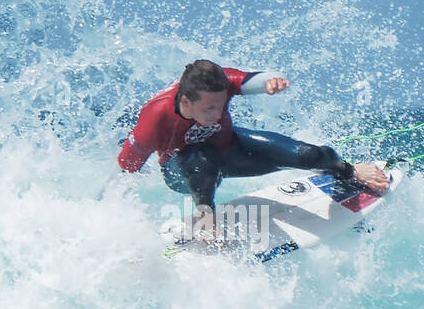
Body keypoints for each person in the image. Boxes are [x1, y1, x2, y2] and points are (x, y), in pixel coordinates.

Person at [117, 59, 390, 238]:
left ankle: (349, 170)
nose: (216, 112)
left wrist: (271, 81)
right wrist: (122, 223)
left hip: (230, 150)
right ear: (186, 102)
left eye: (221, 105)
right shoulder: (154, 118)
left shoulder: (219, 84)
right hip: (182, 173)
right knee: (203, 157)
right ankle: (206, 219)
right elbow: (126, 174)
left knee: (309, 155)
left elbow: (252, 79)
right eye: (208, 108)